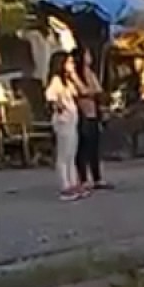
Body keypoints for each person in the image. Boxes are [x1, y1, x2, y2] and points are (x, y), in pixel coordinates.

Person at [45, 52, 85, 201]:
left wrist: (74, 75)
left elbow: (81, 91)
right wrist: (59, 106)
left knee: (71, 153)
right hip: (63, 119)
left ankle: (73, 182)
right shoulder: (56, 80)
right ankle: (65, 185)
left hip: (72, 119)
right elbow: (50, 96)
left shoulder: (67, 81)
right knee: (64, 154)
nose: (72, 65)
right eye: (69, 63)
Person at [72, 47, 111, 190]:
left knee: (94, 147)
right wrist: (90, 92)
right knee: (82, 148)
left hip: (93, 112)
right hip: (81, 113)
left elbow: (97, 91)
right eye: (87, 54)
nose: (90, 57)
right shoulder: (75, 75)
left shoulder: (90, 73)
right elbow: (82, 91)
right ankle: (83, 178)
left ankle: (97, 177)